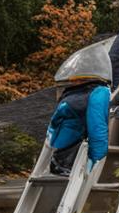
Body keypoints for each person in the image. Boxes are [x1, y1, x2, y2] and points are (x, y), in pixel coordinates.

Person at [47, 43, 113, 176]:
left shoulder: (71, 94)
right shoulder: (99, 92)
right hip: (69, 162)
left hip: (57, 156)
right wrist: (97, 164)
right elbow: (97, 130)